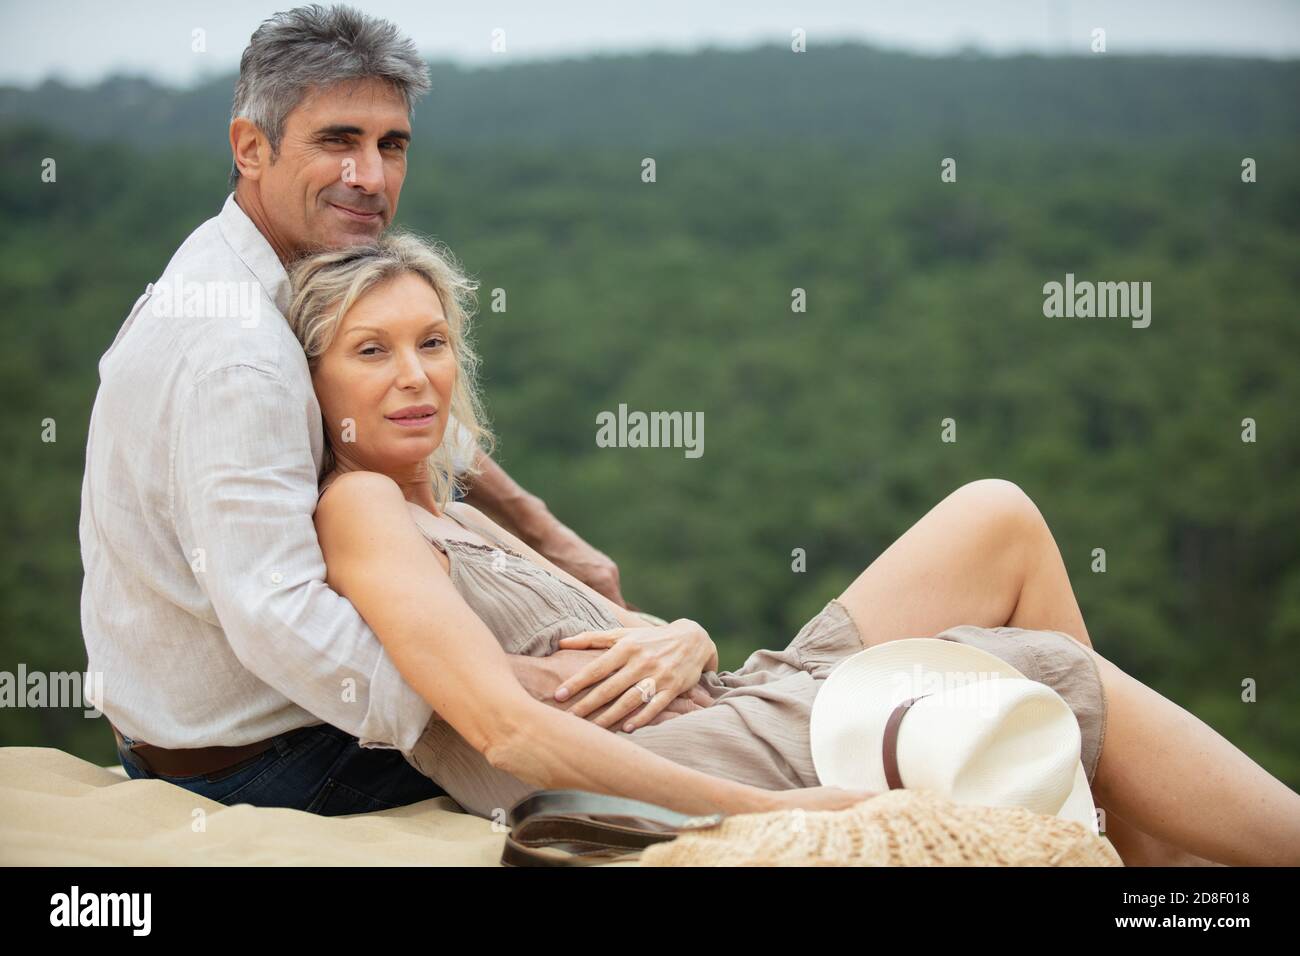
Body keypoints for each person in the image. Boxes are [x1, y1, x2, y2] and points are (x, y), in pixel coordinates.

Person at [288, 231, 1300, 865]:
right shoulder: (361, 507)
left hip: (726, 699)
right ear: (315, 385)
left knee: (996, 513)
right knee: (1056, 672)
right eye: (370, 351)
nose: (413, 374)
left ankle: (1135, 844)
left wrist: (681, 631)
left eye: (429, 341)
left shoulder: (453, 507)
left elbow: (624, 633)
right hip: (678, 758)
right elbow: (507, 735)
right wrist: (769, 809)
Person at [78, 4, 654, 817]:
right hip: (263, 761)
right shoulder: (241, 353)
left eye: (392, 145)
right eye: (338, 141)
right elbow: (277, 615)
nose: (372, 178)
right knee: (662, 729)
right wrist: (500, 693)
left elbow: (389, 402)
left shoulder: (259, 264)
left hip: (248, 728)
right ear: (250, 147)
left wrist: (550, 535)